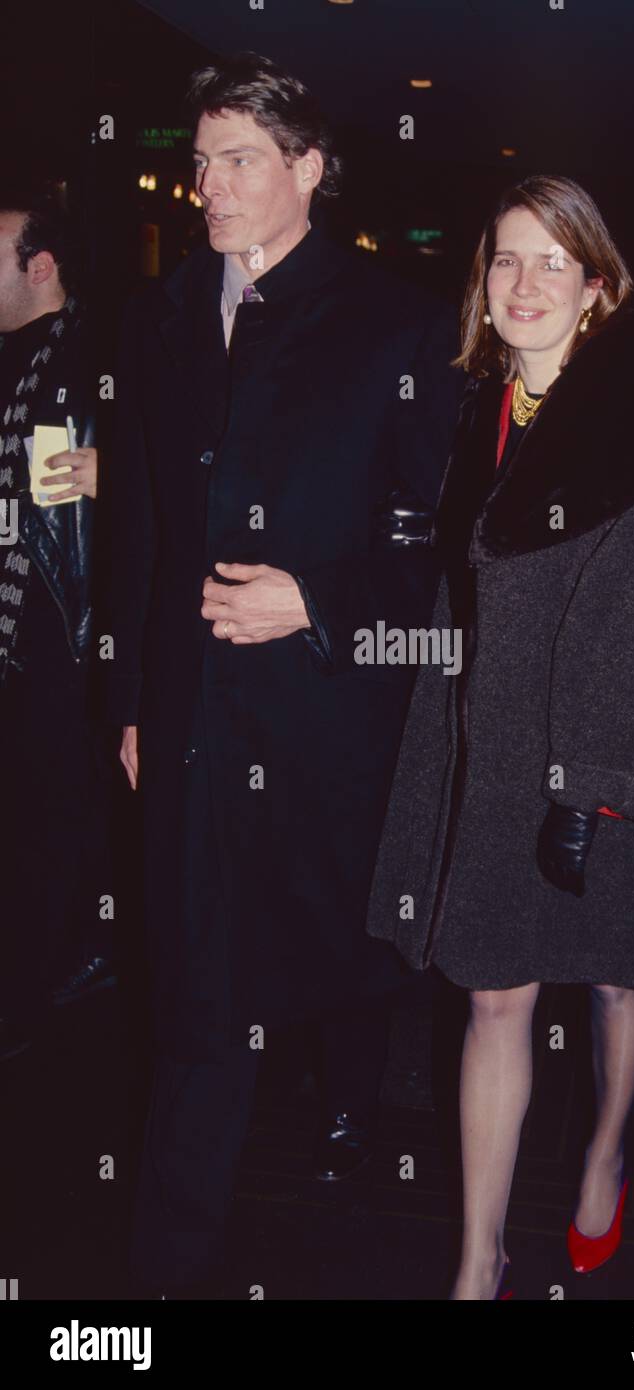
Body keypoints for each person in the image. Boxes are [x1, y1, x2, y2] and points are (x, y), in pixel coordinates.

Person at [105, 52, 461, 1297]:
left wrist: (315, 600)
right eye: (200, 162)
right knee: (200, 1001)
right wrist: (134, 700)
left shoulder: (399, 323)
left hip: (326, 721)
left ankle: (358, 1108)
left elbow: (430, 546)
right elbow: (141, 529)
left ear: (309, 170)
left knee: (344, 958)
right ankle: (163, 1280)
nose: (208, 186)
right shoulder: (159, 319)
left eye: (239, 160)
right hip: (196, 720)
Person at [366, 175, 634, 1299]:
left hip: (625, 736)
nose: (522, 284)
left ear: (596, 289)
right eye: (504, 260)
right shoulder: (483, 406)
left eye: (550, 264)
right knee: (493, 988)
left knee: (619, 974)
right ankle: (479, 1257)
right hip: (497, 736)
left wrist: (599, 778)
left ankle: (608, 1147)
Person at [0, 185, 113, 1063]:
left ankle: (54, 973)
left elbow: (191, 482)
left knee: (52, 817)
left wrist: (114, 474)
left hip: (61, 642)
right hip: (16, 633)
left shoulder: (104, 352)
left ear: (40, 267)